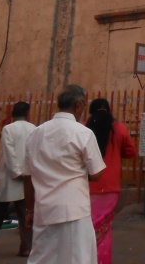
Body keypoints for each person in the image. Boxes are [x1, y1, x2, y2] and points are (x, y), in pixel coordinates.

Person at [22, 84, 105, 264]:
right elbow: (97, 174)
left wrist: (29, 209)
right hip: (74, 210)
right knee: (77, 258)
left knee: (43, 258)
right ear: (79, 104)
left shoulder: (36, 133)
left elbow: (28, 177)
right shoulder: (83, 133)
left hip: (45, 209)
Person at [0, 101, 36, 257]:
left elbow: (9, 152)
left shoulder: (8, 129)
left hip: (8, 177)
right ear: (28, 113)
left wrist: (16, 172)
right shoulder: (34, 129)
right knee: (25, 215)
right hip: (27, 177)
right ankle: (26, 247)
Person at [85, 98, 137, 264]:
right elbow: (131, 152)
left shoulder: (85, 128)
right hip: (110, 186)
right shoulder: (118, 128)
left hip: (87, 185)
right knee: (104, 230)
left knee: (86, 227)